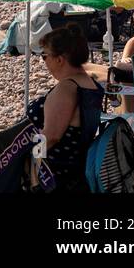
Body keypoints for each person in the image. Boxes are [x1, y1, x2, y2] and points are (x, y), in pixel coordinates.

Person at [26, 26, 105, 191]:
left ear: (60, 59)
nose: (44, 61)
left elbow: (51, 137)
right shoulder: (89, 83)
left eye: (44, 56)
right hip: (76, 168)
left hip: (54, 173)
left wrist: (27, 163)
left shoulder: (67, 88)